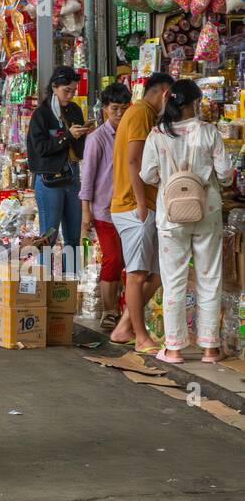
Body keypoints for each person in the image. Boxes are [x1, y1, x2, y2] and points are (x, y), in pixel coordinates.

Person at [139, 78, 234, 364]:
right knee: (209, 278)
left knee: (174, 281)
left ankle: (174, 348)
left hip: (171, 217)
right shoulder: (209, 133)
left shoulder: (157, 135)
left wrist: (171, 176)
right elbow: (227, 174)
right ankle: (210, 347)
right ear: (195, 103)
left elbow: (147, 176)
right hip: (207, 213)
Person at [109, 72, 175, 353]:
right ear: (163, 92)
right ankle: (140, 336)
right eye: (171, 96)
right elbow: (134, 161)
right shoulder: (139, 115)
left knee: (156, 274)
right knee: (137, 275)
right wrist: (140, 204)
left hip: (144, 206)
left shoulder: (146, 115)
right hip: (133, 207)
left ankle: (125, 326)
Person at [79, 82, 133, 332]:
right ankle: (109, 311)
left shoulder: (133, 133)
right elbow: (87, 178)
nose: (120, 114)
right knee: (113, 258)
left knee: (130, 260)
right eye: (115, 109)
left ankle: (127, 310)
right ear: (104, 110)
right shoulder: (96, 138)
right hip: (105, 210)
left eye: (124, 108)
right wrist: (86, 213)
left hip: (131, 208)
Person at [28, 66, 89, 279]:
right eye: (66, 90)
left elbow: (78, 149)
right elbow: (41, 149)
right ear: (54, 87)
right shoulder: (41, 114)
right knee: (49, 237)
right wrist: (68, 136)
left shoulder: (74, 111)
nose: (70, 95)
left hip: (72, 176)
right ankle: (45, 285)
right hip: (49, 180)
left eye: (73, 91)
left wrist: (83, 134)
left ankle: (70, 285)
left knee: (73, 236)